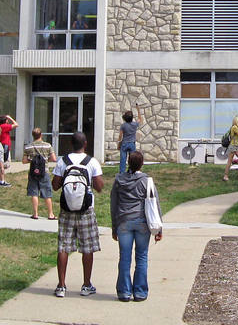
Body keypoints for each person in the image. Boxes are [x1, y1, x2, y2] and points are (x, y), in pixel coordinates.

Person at [51, 131, 104, 298]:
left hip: (66, 210)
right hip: (86, 210)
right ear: (85, 144)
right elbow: (99, 187)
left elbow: (55, 186)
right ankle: (86, 285)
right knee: (87, 248)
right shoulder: (91, 162)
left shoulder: (63, 161)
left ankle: (61, 285)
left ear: (70, 144)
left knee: (63, 247)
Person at [110, 150, 163, 302]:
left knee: (124, 258)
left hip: (123, 222)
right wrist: (159, 229)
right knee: (142, 257)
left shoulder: (119, 180)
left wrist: (114, 227)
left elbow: (114, 204)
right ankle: (140, 292)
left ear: (128, 163)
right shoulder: (147, 181)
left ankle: (124, 292)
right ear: (142, 164)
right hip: (142, 223)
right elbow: (155, 204)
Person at [22, 127, 57, 220]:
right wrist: (45, 160)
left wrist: (32, 160)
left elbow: (24, 161)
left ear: (33, 136)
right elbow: (54, 159)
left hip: (33, 172)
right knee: (47, 193)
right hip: (44, 171)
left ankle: (35, 214)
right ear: (41, 135)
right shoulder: (47, 146)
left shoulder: (28, 147)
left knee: (34, 192)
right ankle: (50, 214)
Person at [117, 104, 142, 174]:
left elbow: (120, 136)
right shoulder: (134, 124)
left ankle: (122, 173)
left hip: (124, 143)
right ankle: (131, 171)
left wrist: (119, 144)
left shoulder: (123, 126)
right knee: (132, 159)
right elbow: (140, 119)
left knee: (123, 159)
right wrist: (138, 110)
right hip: (132, 143)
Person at [223, 115, 238, 182]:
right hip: (232, 147)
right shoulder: (234, 127)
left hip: (235, 146)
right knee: (229, 161)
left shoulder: (236, 127)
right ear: (237, 121)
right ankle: (225, 176)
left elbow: (236, 137)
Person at [0, 115, 19, 186]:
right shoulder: (4, 126)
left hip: (3, 146)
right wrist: (10, 117)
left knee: (2, 164)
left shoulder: (0, 126)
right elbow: (16, 124)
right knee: (4, 164)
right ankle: (2, 181)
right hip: (5, 146)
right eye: (7, 120)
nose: (8, 121)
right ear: (5, 120)